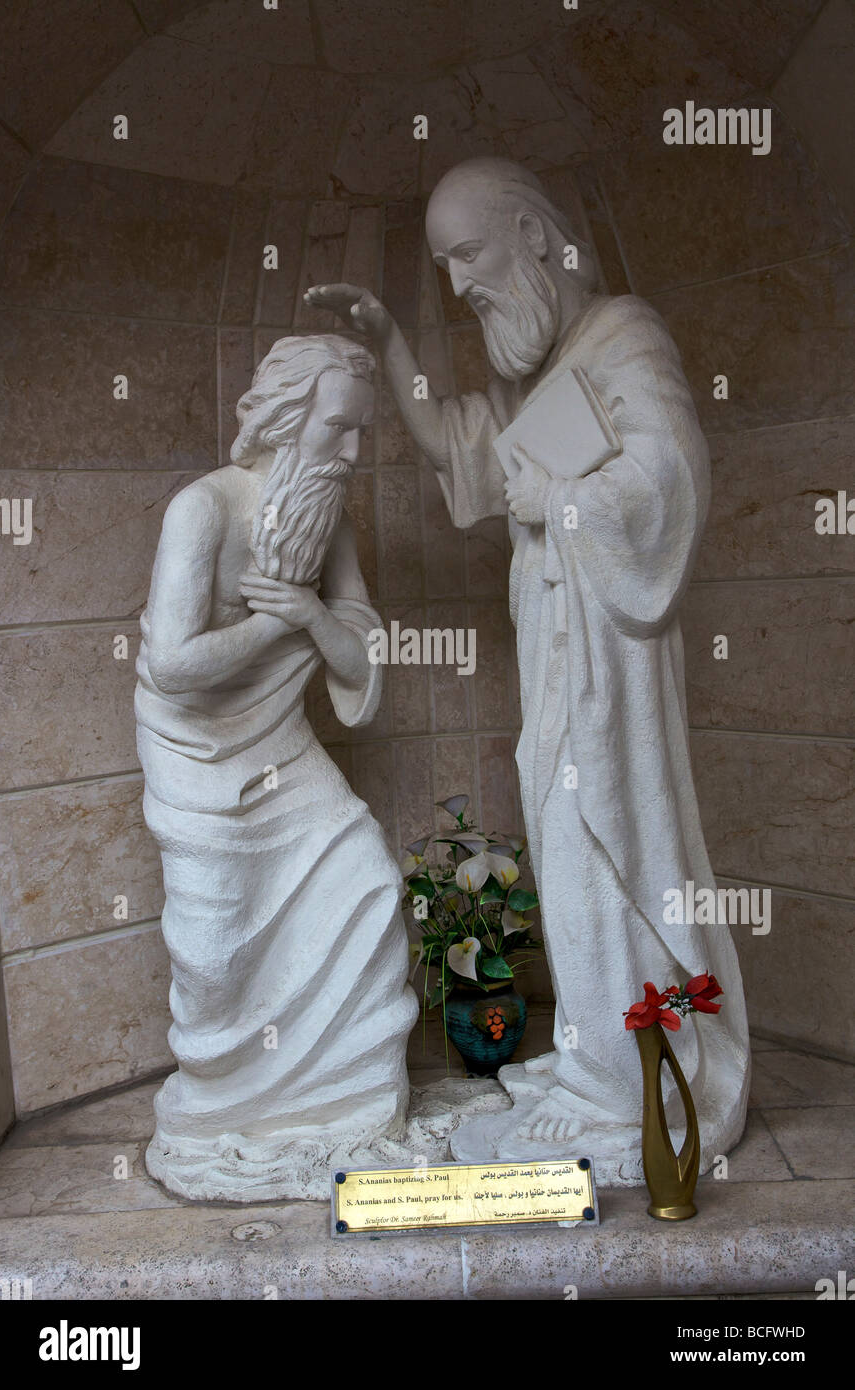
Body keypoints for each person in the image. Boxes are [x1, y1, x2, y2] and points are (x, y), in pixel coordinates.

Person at [305, 158, 750, 1178]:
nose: (458, 284)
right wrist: (392, 341)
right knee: (562, 837)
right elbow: (465, 447)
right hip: (558, 659)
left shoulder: (621, 335)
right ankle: (599, 1051)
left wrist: (554, 497)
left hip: (616, 669)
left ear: (531, 232)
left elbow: (668, 479)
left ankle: (640, 1068)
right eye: (442, 266)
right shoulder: (540, 374)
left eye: (467, 255)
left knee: (608, 842)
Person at [135, 334, 418, 1200]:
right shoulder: (203, 510)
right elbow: (176, 664)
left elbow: (364, 640)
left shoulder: (324, 512)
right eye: (339, 428)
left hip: (282, 747)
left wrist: (308, 613)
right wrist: (280, 624)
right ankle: (222, 1103)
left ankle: (350, 1099)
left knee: (368, 883)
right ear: (290, 418)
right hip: (196, 757)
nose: (352, 453)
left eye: (362, 432)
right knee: (216, 957)